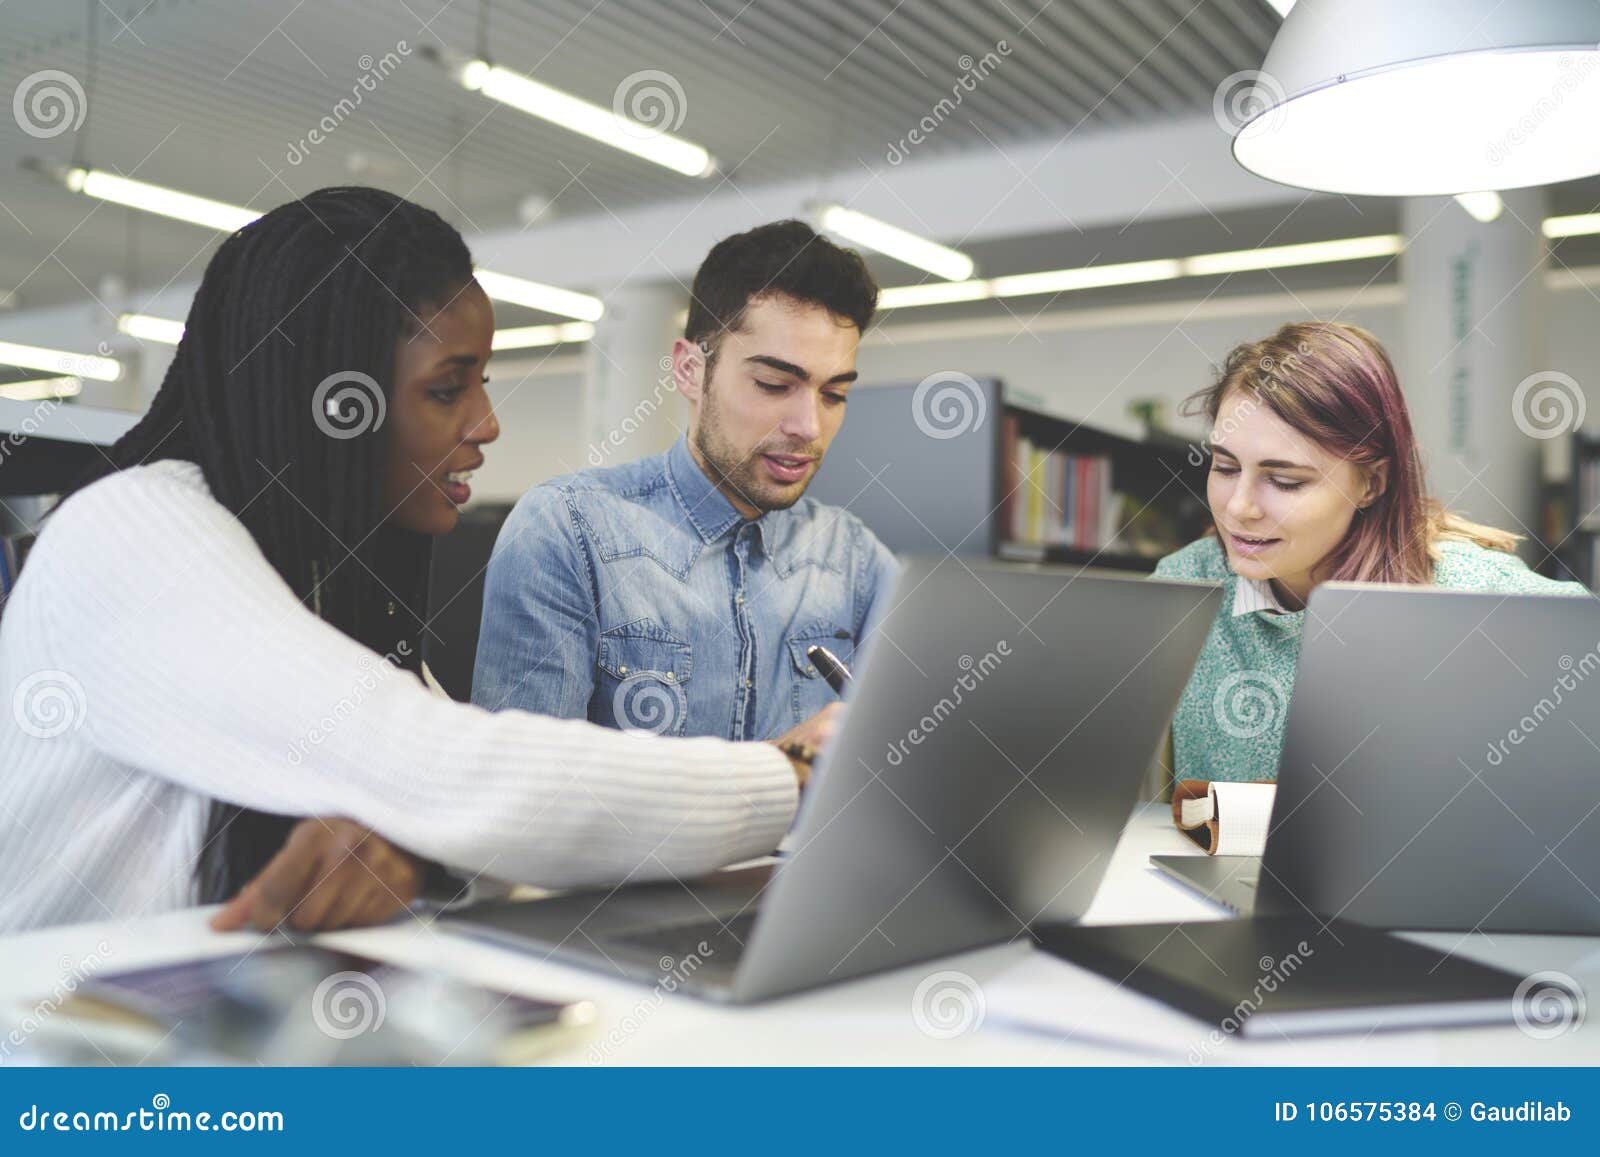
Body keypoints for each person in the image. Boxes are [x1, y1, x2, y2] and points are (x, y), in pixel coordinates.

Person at [0, 188, 820, 936]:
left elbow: (441, 807)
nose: (488, 424)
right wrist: (792, 773)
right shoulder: (132, 534)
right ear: (330, 397)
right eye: (446, 388)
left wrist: (410, 847)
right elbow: (451, 773)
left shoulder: (321, 566)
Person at [472, 220, 897, 741]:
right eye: (773, 384)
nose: (808, 426)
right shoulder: (568, 530)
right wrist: (777, 771)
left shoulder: (853, 557)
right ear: (690, 371)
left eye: (834, 394)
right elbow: (526, 794)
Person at [1155, 321, 1588, 783]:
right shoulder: (1183, 588)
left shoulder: (1478, 598)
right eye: (1225, 467)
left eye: (1285, 481)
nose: (1239, 507)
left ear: (1372, 482)